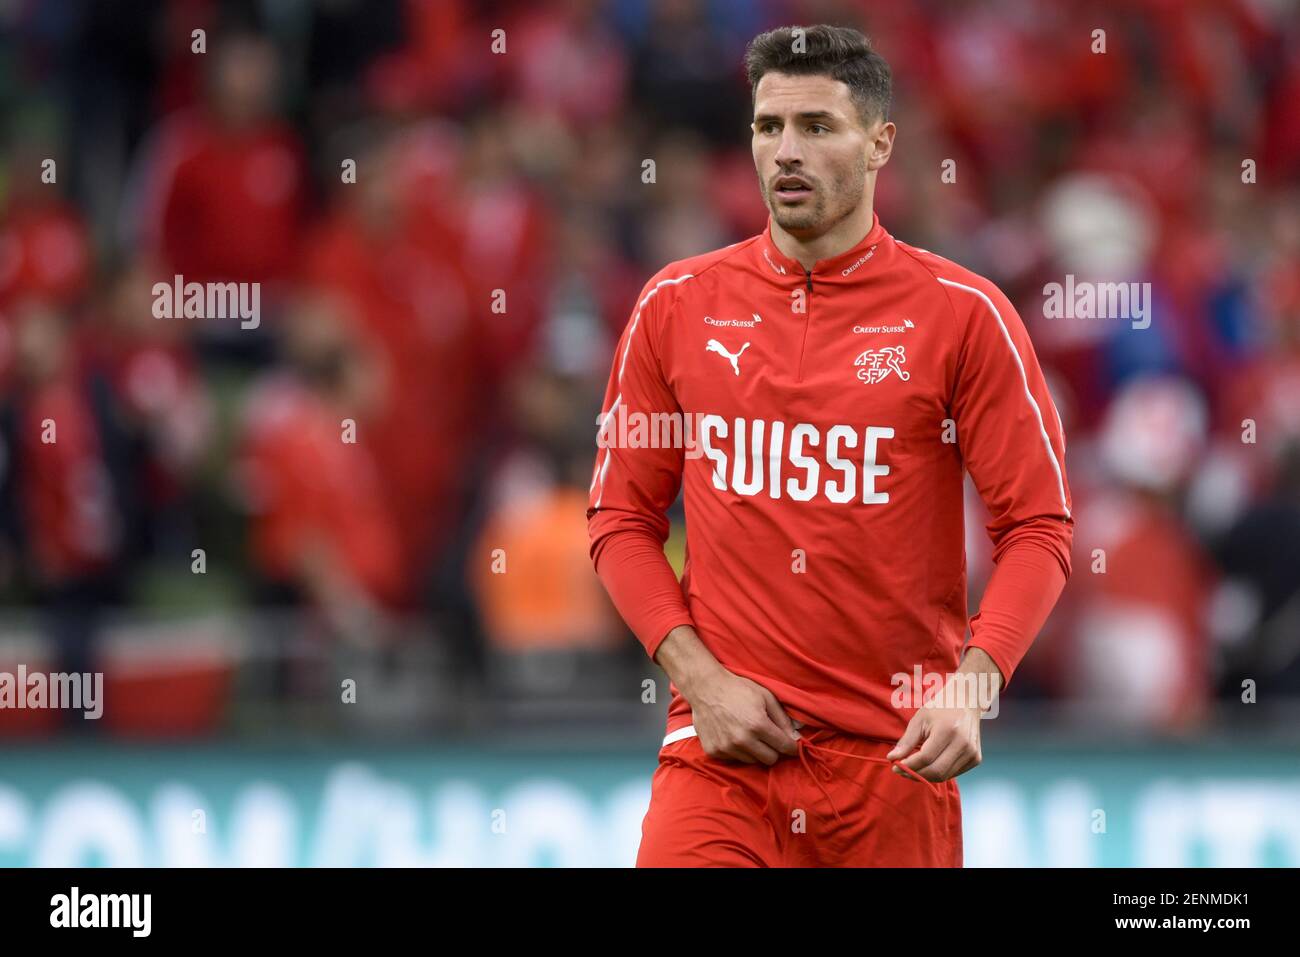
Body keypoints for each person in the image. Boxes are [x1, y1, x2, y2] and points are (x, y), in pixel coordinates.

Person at [586, 25, 1074, 867]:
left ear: (880, 143)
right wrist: (702, 681)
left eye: (817, 126)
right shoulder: (675, 305)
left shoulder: (964, 315)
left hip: (893, 765)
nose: (786, 151)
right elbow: (618, 519)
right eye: (768, 126)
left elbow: (1039, 526)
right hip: (722, 759)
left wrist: (973, 683)